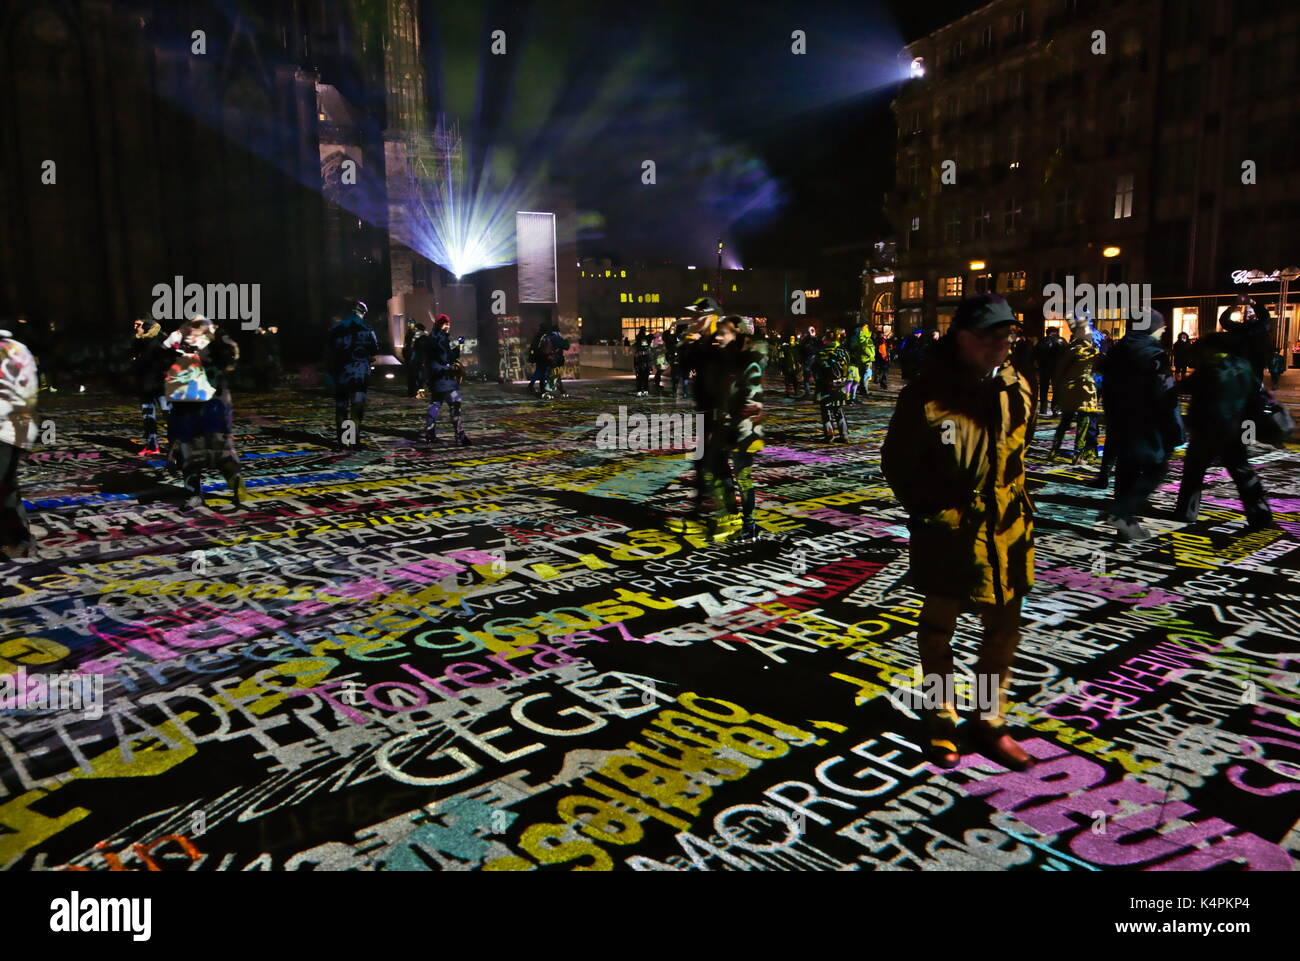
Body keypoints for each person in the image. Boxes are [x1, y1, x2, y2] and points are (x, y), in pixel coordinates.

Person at [882, 294, 1036, 771]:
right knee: (937, 631)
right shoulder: (927, 395)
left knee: (1002, 631)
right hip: (949, 531)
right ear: (961, 337)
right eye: (987, 335)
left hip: (1008, 529)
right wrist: (931, 511)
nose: (999, 345)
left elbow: (1019, 457)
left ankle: (989, 719)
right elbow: (898, 464)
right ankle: (940, 716)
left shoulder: (1018, 388)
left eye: (1005, 335)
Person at [1175, 311, 1273, 529]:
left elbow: (1183, 388)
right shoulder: (1244, 367)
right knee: (1242, 472)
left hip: (1206, 430)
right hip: (1234, 429)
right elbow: (1254, 396)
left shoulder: (1209, 369)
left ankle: (1187, 512)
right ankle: (1260, 514)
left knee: (1194, 472)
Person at [1099, 310, 1183, 541]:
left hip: (1120, 420)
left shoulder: (1117, 352)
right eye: (1161, 326)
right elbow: (1166, 394)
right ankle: (1122, 513)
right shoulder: (1154, 355)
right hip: (1148, 423)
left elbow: (1106, 388)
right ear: (1151, 328)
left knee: (1126, 470)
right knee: (1157, 468)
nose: (1164, 329)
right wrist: (1175, 428)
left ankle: (1127, 525)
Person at [160, 316, 246, 509]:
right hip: (186, 405)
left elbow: (230, 357)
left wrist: (217, 336)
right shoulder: (178, 346)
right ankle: (194, 493)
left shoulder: (216, 347)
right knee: (189, 455)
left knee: (222, 453)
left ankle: (237, 487)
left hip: (213, 405)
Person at [0, 327, 40, 559]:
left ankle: (20, 541)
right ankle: (16, 538)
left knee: (4, 487)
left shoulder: (10, 350)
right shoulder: (17, 348)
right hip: (16, 426)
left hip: (7, 427)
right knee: (6, 486)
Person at [327, 300, 380, 449]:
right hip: (359, 372)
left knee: (341, 406)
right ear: (363, 313)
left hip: (341, 372)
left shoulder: (336, 328)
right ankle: (353, 439)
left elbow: (329, 350)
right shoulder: (367, 328)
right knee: (357, 407)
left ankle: (343, 440)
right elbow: (375, 349)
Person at [1048, 315, 1101, 463]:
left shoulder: (1071, 349)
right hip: (1086, 390)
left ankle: (1055, 449)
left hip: (1073, 389)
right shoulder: (1091, 350)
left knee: (1067, 421)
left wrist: (1058, 388)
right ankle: (1077, 453)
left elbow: (1059, 371)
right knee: (1082, 423)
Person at [418, 313, 469, 445]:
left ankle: (430, 433)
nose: (448, 327)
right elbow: (446, 358)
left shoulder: (429, 338)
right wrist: (457, 348)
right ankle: (460, 435)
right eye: (447, 324)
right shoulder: (441, 338)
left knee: (435, 404)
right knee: (455, 404)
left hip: (434, 378)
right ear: (444, 325)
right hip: (445, 378)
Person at [129, 318, 166, 456]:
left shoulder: (160, 340)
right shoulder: (138, 341)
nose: (135, 327)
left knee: (168, 414)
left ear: (147, 326)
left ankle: (177, 445)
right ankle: (152, 445)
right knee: (148, 418)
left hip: (161, 386)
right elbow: (133, 358)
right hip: (146, 385)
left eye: (138, 325)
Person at [813, 328, 852, 443]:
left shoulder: (822, 352)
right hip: (840, 385)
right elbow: (849, 365)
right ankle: (844, 434)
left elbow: (815, 369)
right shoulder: (843, 351)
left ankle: (829, 435)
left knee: (825, 412)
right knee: (839, 410)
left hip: (824, 386)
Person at [1033, 326, 1065, 414]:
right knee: (1057, 388)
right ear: (1056, 332)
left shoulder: (1042, 341)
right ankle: (1055, 408)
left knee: (1044, 388)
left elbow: (1035, 353)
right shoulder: (1062, 341)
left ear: (1047, 332)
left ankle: (1043, 409)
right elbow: (1067, 354)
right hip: (1057, 368)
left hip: (1044, 368)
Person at [403, 320, 428, 397]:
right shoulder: (423, 336)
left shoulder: (413, 335)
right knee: (420, 378)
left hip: (414, 359)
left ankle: (412, 392)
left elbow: (408, 347)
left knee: (414, 377)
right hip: (420, 360)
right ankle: (419, 393)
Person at [798, 326, 820, 396]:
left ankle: (810, 392)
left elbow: (801, 350)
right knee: (811, 377)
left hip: (810, 361)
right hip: (811, 361)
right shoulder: (814, 340)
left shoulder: (809, 340)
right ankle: (813, 393)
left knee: (808, 378)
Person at [632, 326, 652, 396]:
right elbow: (649, 357)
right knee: (645, 378)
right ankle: (645, 391)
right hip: (644, 363)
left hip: (640, 363)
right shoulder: (645, 341)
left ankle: (639, 391)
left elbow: (636, 357)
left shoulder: (638, 340)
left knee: (640, 378)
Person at [780, 332, 801, 397]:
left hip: (794, 366)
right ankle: (788, 392)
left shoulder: (797, 347)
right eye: (791, 338)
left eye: (793, 338)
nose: (792, 339)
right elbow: (782, 358)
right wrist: (781, 368)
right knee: (787, 380)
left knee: (795, 380)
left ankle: (796, 391)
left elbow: (799, 357)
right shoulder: (785, 347)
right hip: (787, 366)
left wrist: (799, 364)